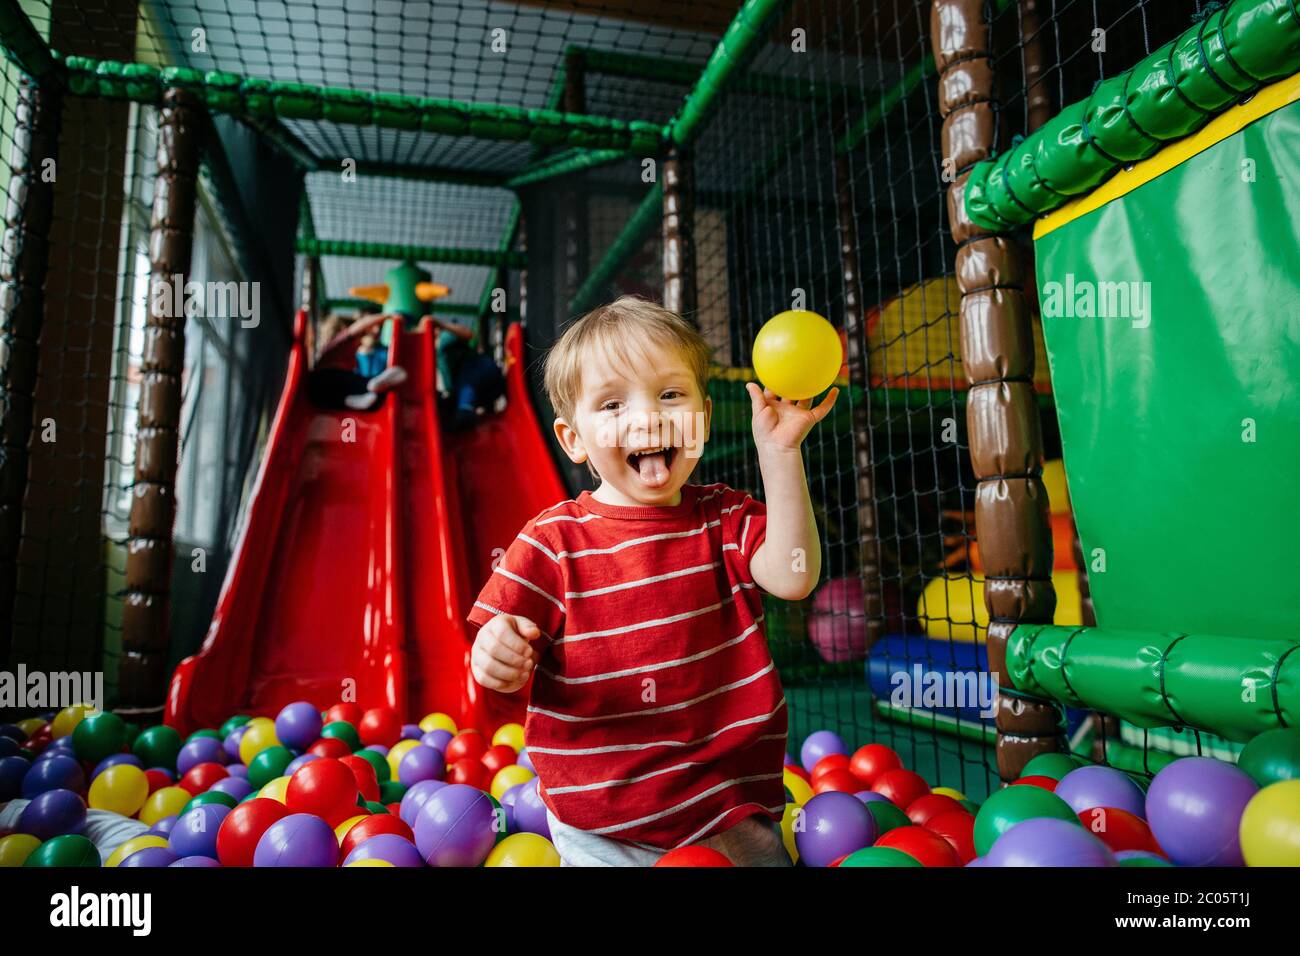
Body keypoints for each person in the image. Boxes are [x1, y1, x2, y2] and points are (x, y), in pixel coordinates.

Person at [465, 295, 838, 865]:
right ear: (573, 439)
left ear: (703, 418)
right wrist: (494, 652)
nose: (647, 419)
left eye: (669, 395)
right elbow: (498, 638)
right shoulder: (553, 542)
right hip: (603, 820)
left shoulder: (723, 518)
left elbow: (794, 577)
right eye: (613, 403)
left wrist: (780, 452)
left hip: (728, 808)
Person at [306, 311, 408, 411]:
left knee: (371, 399)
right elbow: (363, 323)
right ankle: (370, 385)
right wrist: (389, 315)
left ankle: (352, 399)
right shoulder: (339, 340)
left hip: (324, 394)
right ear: (342, 328)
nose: (362, 336)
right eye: (362, 334)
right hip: (327, 378)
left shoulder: (333, 350)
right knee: (354, 384)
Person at [429, 314, 506, 429]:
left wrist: (441, 325)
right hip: (484, 392)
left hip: (481, 372)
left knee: (465, 385)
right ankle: (464, 411)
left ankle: (465, 411)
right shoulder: (435, 358)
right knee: (452, 396)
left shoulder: (444, 339)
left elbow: (469, 334)